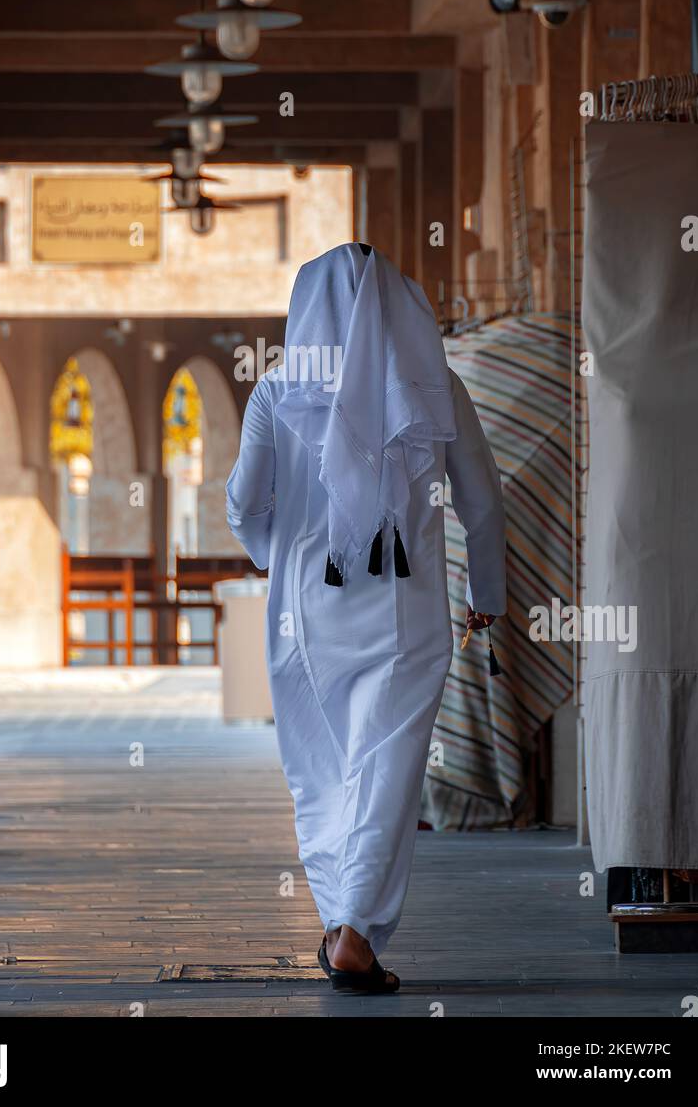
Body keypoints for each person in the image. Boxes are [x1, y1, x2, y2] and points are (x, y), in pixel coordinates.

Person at [226, 243, 506, 994]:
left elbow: (243, 505)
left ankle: (340, 923)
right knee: (387, 770)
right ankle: (351, 930)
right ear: (394, 305)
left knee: (319, 771)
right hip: (406, 613)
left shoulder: (276, 390)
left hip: (304, 614)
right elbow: (482, 503)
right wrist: (487, 593)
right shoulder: (434, 384)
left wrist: (277, 553)